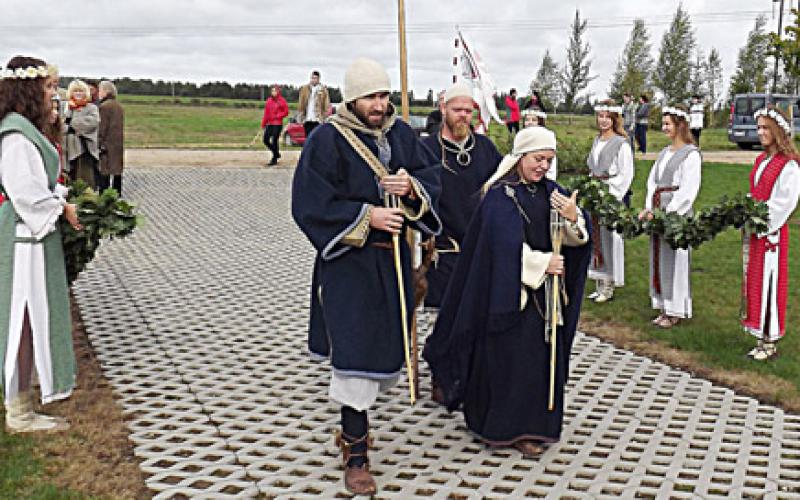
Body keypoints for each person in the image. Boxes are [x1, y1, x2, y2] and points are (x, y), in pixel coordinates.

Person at [291, 57, 441, 496]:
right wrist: (367, 215)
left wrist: (411, 190)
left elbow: (433, 179)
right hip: (349, 267)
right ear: (352, 98)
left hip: (393, 264)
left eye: (384, 95)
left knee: (385, 356)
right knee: (354, 361)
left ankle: (359, 434)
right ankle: (356, 452)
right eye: (371, 97)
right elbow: (310, 203)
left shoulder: (401, 134)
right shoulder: (327, 140)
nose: (380, 104)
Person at [423, 126, 590, 457]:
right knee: (508, 361)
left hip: (544, 298)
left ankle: (535, 425)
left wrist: (572, 220)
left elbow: (572, 236)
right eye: (538, 159)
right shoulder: (500, 196)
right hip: (507, 296)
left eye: (549, 160)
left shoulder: (551, 192)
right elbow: (503, 246)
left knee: (539, 362)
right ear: (521, 157)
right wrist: (543, 264)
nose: (543, 166)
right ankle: (500, 427)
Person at [0, 55, 81, 433]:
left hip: (32, 239)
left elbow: (42, 185)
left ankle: (23, 401)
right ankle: (17, 409)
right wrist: (60, 208)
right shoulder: (15, 136)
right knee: (21, 319)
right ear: (30, 90)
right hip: (23, 242)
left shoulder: (25, 131)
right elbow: (26, 195)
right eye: (49, 87)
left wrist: (59, 199)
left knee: (30, 320)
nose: (54, 94)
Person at [421, 82, 502, 307]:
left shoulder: (485, 149)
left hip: (479, 254)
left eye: (468, 111)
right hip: (443, 254)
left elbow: (503, 189)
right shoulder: (425, 150)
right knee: (443, 328)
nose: (464, 116)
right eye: (458, 110)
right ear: (443, 108)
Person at [741, 107, 800, 360]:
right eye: (759, 128)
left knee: (770, 282)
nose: (761, 133)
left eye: (766, 128)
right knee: (756, 280)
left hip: (771, 233)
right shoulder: (762, 160)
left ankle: (770, 339)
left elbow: (785, 202)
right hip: (757, 230)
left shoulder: (789, 166)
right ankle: (759, 335)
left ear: (778, 131)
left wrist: (762, 219)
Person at [639, 105, 701, 328]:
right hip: (659, 210)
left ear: (680, 125)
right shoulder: (665, 153)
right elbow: (652, 183)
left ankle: (676, 308)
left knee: (675, 258)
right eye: (663, 123)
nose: (664, 127)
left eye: (668, 124)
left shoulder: (691, 155)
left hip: (675, 215)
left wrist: (671, 213)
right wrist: (649, 208)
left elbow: (688, 189)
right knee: (659, 256)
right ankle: (663, 304)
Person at [586, 100, 634, 303]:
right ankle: (599, 280)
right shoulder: (597, 141)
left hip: (610, 196)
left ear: (614, 119)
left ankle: (609, 283)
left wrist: (609, 194)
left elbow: (626, 174)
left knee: (610, 238)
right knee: (595, 236)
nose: (603, 120)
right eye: (601, 116)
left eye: (607, 117)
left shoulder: (621, 144)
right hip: (594, 195)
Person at [63, 79, 100, 189]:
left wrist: (72, 124)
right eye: (75, 91)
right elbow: (60, 125)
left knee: (85, 181)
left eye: (81, 91)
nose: (78, 94)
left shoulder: (91, 108)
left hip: (84, 150)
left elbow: (93, 123)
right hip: (67, 150)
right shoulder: (65, 107)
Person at [97, 80, 125, 194]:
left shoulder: (104, 107)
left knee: (105, 171)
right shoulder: (119, 106)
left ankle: (105, 195)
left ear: (105, 91)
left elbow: (102, 127)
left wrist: (99, 143)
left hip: (107, 144)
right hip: (117, 143)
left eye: (100, 90)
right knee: (117, 170)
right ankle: (116, 194)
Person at [522, 109, 557, 180]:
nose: (530, 123)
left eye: (534, 120)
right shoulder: (521, 138)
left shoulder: (546, 139)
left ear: (540, 122)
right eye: (527, 120)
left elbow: (550, 165)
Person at [297, 70, 330, 139]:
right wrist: (300, 114)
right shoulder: (304, 89)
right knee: (308, 138)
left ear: (318, 79)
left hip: (318, 119)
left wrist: (324, 116)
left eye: (315, 78)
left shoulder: (323, 90)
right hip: (307, 118)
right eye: (312, 78)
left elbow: (326, 105)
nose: (313, 80)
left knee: (316, 138)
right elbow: (301, 102)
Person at [260, 85, 289, 166]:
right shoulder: (269, 101)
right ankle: (276, 153)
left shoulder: (282, 101)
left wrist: (278, 115)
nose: (273, 92)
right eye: (272, 91)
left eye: (275, 91)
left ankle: (274, 159)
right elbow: (266, 113)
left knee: (274, 140)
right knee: (265, 140)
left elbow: (286, 112)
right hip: (269, 123)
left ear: (278, 92)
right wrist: (263, 123)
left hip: (277, 124)